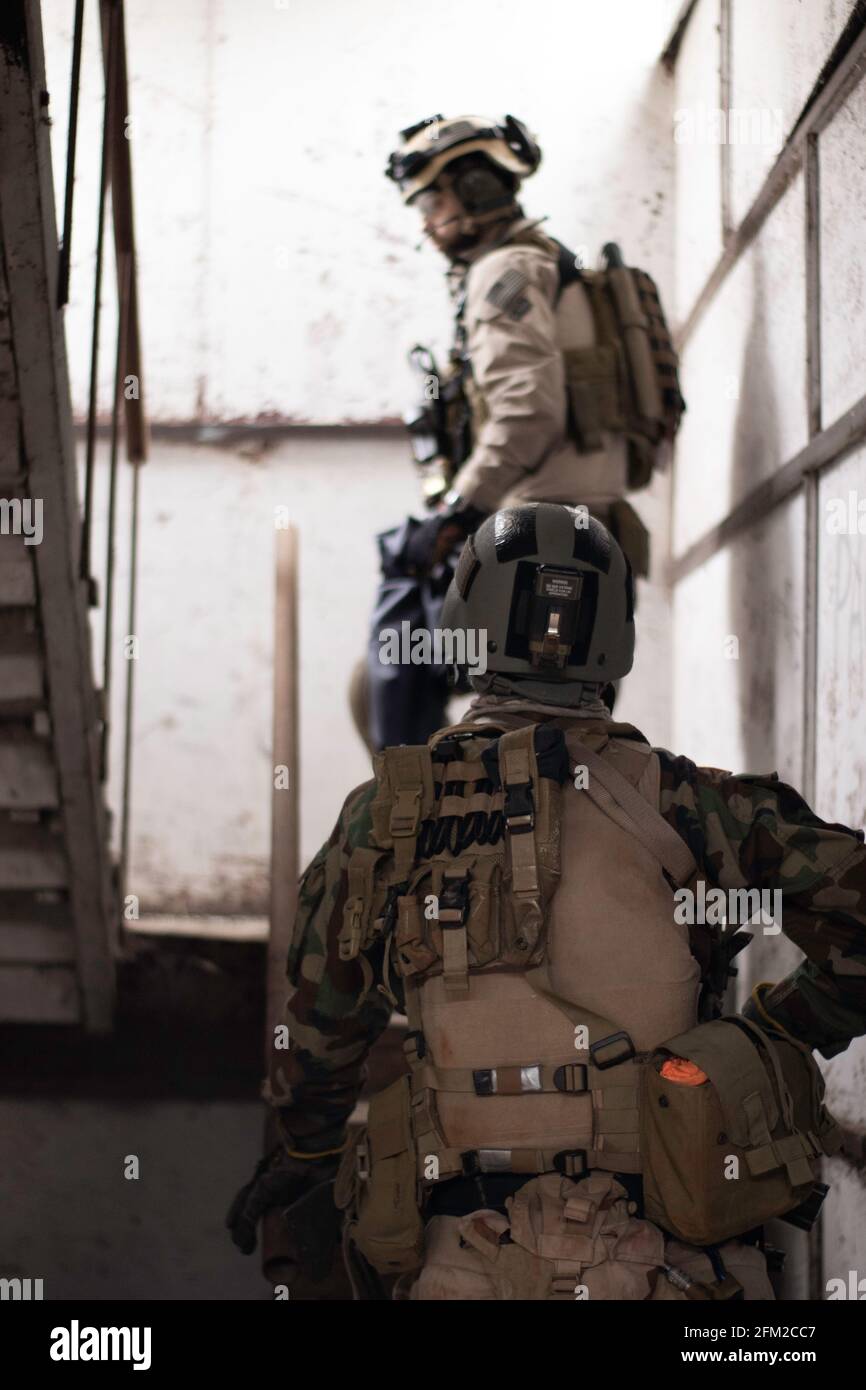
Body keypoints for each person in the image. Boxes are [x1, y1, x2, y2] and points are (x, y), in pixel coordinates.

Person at [229, 504, 864, 1300]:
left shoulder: (382, 820)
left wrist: (302, 1162)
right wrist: (774, 1033)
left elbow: (320, 1035)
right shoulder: (695, 807)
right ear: (617, 640)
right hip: (672, 1259)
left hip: (465, 1257)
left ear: (465, 625)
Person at [363, 113, 681, 750]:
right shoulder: (553, 268)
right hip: (589, 541)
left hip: (532, 549)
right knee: (559, 745)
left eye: (433, 199)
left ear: (479, 189)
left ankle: (409, 823)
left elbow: (527, 410)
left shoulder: (504, 271)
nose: (425, 220)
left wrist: (459, 510)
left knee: (402, 649)